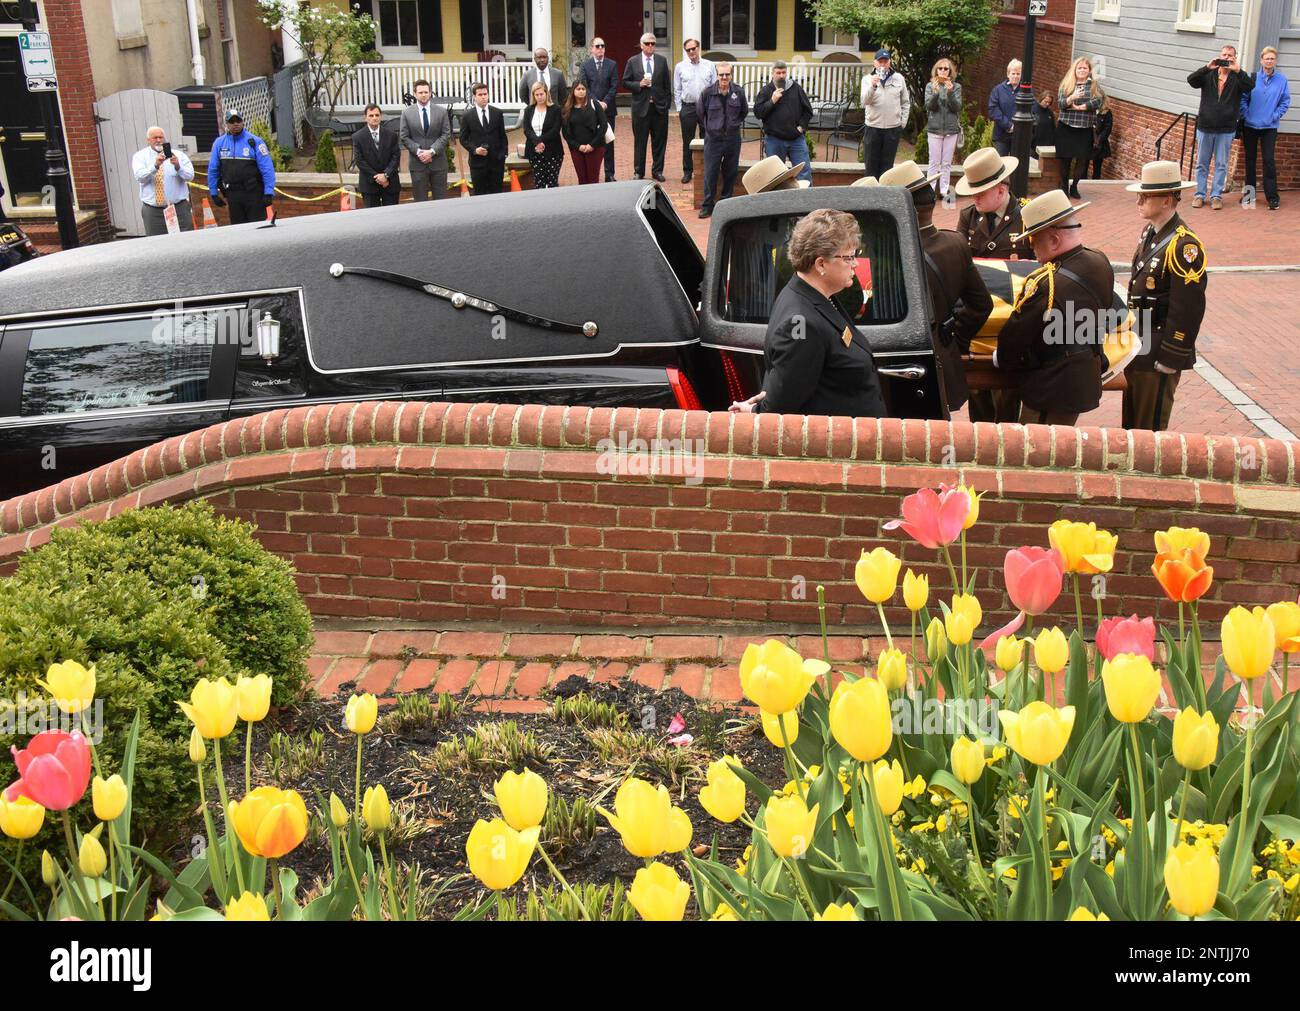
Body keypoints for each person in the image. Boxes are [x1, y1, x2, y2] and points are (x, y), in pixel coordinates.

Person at [728, 208, 886, 418]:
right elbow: (781, 406)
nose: (856, 263)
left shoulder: (818, 295)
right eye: (849, 257)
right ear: (821, 264)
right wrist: (757, 410)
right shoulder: (801, 323)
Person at [994, 190, 1114, 426]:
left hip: (1050, 389)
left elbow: (1013, 340)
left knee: (1035, 455)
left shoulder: (1045, 283)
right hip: (1084, 376)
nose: (1033, 250)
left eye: (1034, 241)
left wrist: (1002, 359)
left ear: (1054, 240)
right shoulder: (1100, 260)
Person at [881, 162, 992, 415]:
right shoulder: (956, 243)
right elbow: (981, 305)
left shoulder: (889, 256)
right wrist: (950, 336)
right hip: (943, 363)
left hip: (896, 370)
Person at [1122, 160, 1207, 432]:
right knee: (1132, 425)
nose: (1139, 201)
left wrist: (1172, 356)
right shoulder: (1151, 232)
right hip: (1140, 342)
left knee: (1149, 429)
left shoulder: (1184, 245)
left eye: (1146, 196)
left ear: (1167, 200)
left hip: (1159, 348)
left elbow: (1188, 308)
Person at [954, 146, 1030, 423]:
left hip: (1011, 320)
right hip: (979, 317)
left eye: (981, 192)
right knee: (977, 389)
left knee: (1007, 391)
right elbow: (960, 261)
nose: (974, 198)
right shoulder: (969, 217)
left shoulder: (1027, 216)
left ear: (1001, 189)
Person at [1187, 44, 1253, 209]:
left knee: (1221, 164)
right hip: (1205, 127)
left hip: (1226, 129)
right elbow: (1191, 80)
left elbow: (1250, 86)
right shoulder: (1208, 74)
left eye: (1230, 55)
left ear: (1235, 58)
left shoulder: (1238, 78)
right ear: (1219, 56)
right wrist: (1206, 67)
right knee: (1202, 163)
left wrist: (1238, 70)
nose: (1226, 58)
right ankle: (1200, 195)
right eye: (1224, 54)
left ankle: (1216, 195)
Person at [1240, 47, 1290, 210]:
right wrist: (1247, 115)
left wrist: (1275, 116)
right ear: (1261, 60)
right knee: (1250, 161)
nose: (1269, 61)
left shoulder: (1282, 80)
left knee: (1269, 161)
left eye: (1272, 59)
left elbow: (1285, 101)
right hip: (1250, 126)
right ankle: (1249, 196)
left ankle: (1272, 198)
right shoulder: (1252, 78)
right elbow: (1243, 99)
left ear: (1275, 61)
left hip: (1269, 127)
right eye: (1266, 58)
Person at [696, 63, 747, 219]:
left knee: (730, 172)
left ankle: (725, 203)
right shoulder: (707, 93)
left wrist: (733, 124)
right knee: (710, 173)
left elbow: (743, 112)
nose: (724, 77)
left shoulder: (738, 92)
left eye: (727, 74)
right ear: (716, 75)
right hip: (713, 140)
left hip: (732, 138)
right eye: (721, 75)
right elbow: (700, 114)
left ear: (731, 75)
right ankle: (707, 205)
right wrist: (710, 129)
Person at [208, 112, 276, 225]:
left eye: (238, 121)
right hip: (233, 195)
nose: (235, 124)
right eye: (232, 121)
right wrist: (213, 193)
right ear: (227, 124)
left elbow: (267, 169)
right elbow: (213, 169)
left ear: (242, 122)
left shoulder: (255, 142)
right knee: (238, 230)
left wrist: (268, 192)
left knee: (257, 228)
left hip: (253, 193)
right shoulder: (219, 143)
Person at [754, 61, 814, 185]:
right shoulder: (766, 91)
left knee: (804, 173)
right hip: (774, 140)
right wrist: (772, 100)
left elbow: (808, 111)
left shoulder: (795, 88)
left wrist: (801, 127)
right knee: (775, 177)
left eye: (783, 72)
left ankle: (807, 203)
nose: (781, 75)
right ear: (772, 74)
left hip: (796, 139)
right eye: (778, 73)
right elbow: (758, 113)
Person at [623, 34, 671, 182]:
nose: (650, 46)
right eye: (647, 43)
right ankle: (639, 171)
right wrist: (639, 84)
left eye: (653, 43)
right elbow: (625, 82)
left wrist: (666, 105)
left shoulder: (662, 61)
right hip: (641, 108)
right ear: (641, 44)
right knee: (640, 141)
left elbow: (667, 86)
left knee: (659, 141)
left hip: (659, 108)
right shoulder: (633, 61)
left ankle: (657, 170)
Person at [1056, 57, 1104, 199]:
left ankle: (1074, 186)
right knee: (1065, 160)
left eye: (1085, 68)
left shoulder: (1094, 85)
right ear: (1074, 70)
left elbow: (1100, 100)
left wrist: (1085, 106)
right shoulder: (1066, 84)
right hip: (1066, 127)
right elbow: (1060, 103)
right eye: (1079, 68)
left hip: (1085, 128)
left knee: (1082, 160)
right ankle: (1064, 187)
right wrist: (1072, 98)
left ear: (1089, 70)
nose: (1082, 70)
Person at [133, 125, 195, 235]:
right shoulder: (140, 156)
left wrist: (178, 167)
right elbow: (140, 177)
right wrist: (155, 166)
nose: (158, 140)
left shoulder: (178, 155)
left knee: (185, 241)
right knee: (157, 244)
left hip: (178, 208)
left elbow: (190, 176)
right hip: (153, 211)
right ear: (148, 140)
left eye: (161, 137)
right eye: (155, 138)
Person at [861, 49, 910, 179]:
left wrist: (902, 123)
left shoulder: (899, 78)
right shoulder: (867, 79)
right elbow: (864, 101)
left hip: (892, 129)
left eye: (885, 61)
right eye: (880, 61)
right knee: (871, 166)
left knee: (887, 168)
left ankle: (884, 197)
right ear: (874, 63)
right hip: (873, 127)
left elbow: (905, 102)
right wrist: (873, 86)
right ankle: (871, 195)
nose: (882, 64)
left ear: (889, 62)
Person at [399, 80, 451, 201]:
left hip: (438, 163)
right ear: (415, 94)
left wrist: (432, 151)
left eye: (426, 92)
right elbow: (404, 136)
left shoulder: (441, 112)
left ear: (430, 93)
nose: (423, 95)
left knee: (440, 200)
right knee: (420, 201)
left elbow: (446, 134)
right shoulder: (407, 113)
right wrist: (419, 152)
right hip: (418, 164)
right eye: (420, 92)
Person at [673, 39, 715, 184]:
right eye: (688, 50)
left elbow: (714, 87)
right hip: (688, 107)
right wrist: (679, 109)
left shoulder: (709, 65)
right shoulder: (680, 67)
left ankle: (705, 170)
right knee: (688, 141)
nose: (691, 52)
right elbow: (677, 89)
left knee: (707, 139)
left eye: (693, 48)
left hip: (706, 107)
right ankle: (687, 171)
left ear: (699, 48)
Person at [579, 37, 620, 182]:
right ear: (592, 49)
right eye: (597, 46)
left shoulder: (612, 65)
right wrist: (597, 103)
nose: (600, 48)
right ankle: (592, 174)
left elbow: (614, 86)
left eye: (603, 45)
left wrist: (605, 102)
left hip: (608, 110)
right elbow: (584, 86)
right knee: (593, 141)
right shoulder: (585, 66)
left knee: (608, 141)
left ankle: (609, 174)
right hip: (591, 110)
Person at [459, 82, 508, 196]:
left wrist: (503, 155)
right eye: (480, 95)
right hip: (478, 163)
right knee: (480, 194)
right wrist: (475, 150)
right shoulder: (467, 116)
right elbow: (463, 138)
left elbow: (502, 136)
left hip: (496, 163)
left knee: (496, 194)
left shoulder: (497, 113)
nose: (483, 97)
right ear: (474, 97)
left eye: (485, 94)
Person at [923, 58, 962, 198]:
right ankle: (929, 191)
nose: (943, 71)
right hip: (934, 129)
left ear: (950, 71)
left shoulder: (956, 87)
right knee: (934, 162)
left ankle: (944, 190)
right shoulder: (930, 86)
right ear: (936, 70)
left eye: (946, 69)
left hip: (951, 130)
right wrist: (935, 93)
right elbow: (929, 107)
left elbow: (956, 107)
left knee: (946, 163)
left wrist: (950, 92)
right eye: (940, 68)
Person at [352, 103, 402, 208]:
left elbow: (396, 157)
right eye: (371, 115)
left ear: (381, 116)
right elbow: (359, 161)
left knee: (392, 216)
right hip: (369, 185)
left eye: (377, 115)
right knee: (372, 218)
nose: (374, 118)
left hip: (390, 183)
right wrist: (377, 177)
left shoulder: (391, 135)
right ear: (365, 118)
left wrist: (385, 175)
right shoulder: (358, 137)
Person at [562, 80, 608, 185]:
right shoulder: (567, 108)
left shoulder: (594, 104)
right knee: (582, 180)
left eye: (583, 89)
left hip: (595, 147)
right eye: (578, 89)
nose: (581, 91)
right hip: (577, 149)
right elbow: (566, 133)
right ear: (573, 91)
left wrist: (592, 145)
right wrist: (578, 146)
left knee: (593, 180)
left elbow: (603, 126)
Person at [523, 81, 563, 189]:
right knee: (539, 183)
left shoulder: (555, 109)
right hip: (534, 151)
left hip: (553, 150)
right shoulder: (528, 110)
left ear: (547, 94)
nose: (539, 97)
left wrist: (541, 141)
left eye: (542, 94)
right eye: (537, 95)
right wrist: (537, 142)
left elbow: (555, 129)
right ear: (533, 95)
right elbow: (526, 129)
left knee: (552, 183)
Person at [988, 60, 1021, 157]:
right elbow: (993, 110)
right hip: (1001, 135)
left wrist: (1018, 127)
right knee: (1001, 166)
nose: (1015, 76)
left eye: (1018, 74)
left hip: (1019, 136)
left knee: (1018, 165)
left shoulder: (1027, 91)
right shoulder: (998, 90)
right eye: (1013, 73)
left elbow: (1032, 110)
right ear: (1008, 74)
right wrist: (1009, 125)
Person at [1089, 95, 1112, 180]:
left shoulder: (1107, 113)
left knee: (1097, 167)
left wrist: (1099, 139)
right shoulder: (1089, 110)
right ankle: (1081, 182)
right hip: (1087, 141)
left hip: (1099, 143)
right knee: (1083, 166)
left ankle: (1095, 184)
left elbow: (1108, 128)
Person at [1034, 91, 1056, 155]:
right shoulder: (1033, 110)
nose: (1047, 104)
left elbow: (1053, 128)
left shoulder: (1050, 113)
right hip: (1035, 144)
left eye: (1049, 102)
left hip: (1047, 145)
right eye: (1045, 101)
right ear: (1041, 99)